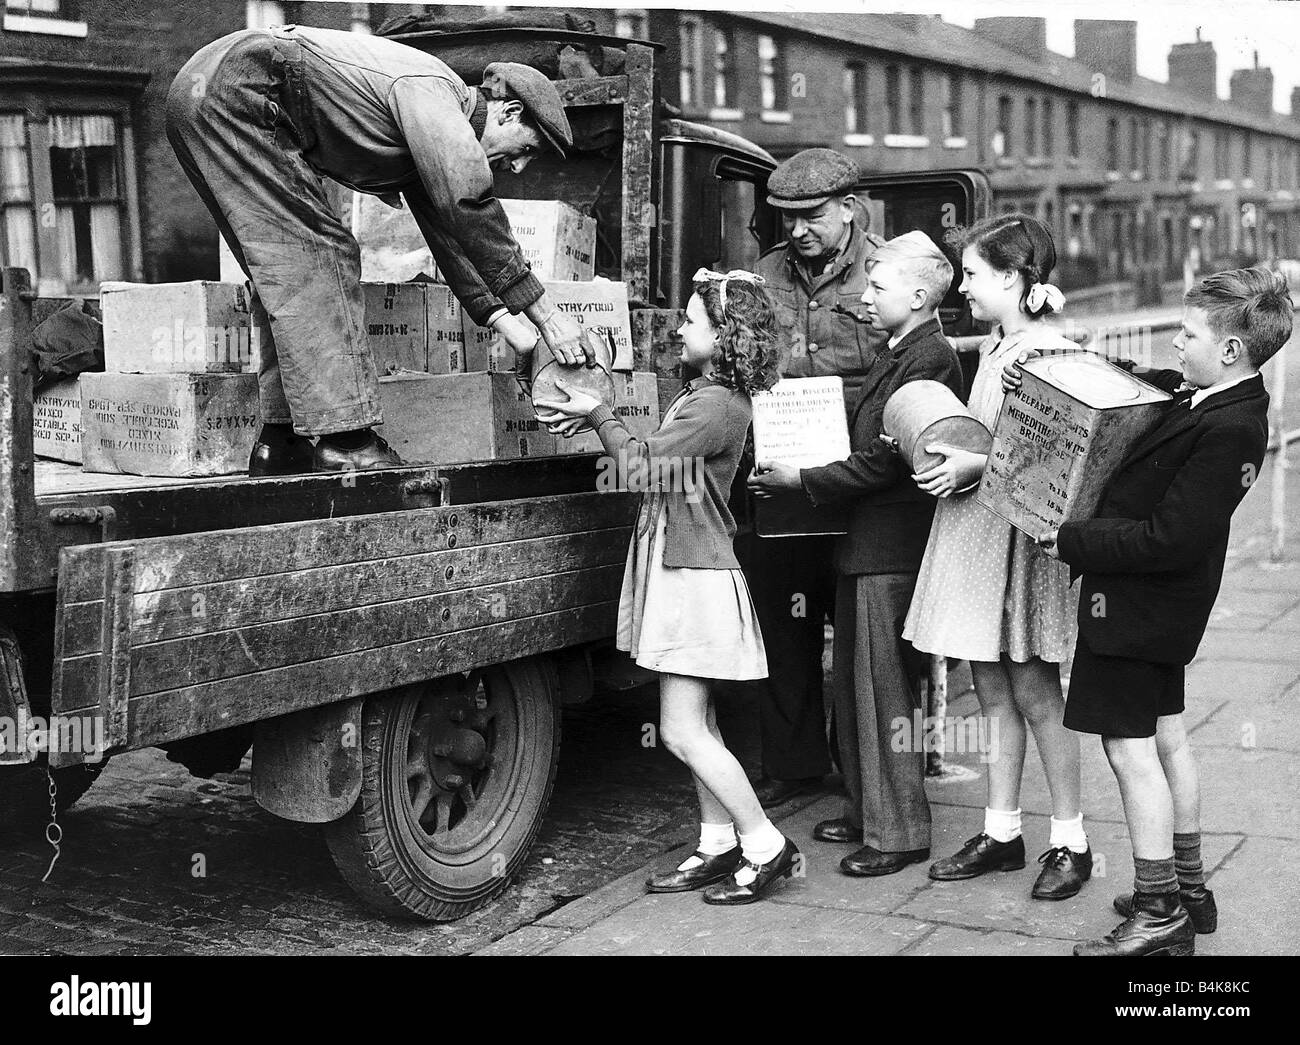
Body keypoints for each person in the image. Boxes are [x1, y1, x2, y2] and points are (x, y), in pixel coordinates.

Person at [166, 24, 587, 475]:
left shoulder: (429, 133)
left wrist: (515, 330)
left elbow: (451, 235)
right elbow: (469, 205)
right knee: (320, 257)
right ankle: (347, 442)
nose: (519, 166)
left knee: (283, 268)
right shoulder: (435, 93)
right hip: (245, 84)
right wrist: (550, 318)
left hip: (203, 92)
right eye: (528, 147)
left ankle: (281, 441)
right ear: (509, 112)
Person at [1026, 268, 1291, 955]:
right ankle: (1188, 884)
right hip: (1158, 608)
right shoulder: (1214, 396)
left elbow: (1171, 537)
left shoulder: (1231, 427)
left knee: (1128, 746)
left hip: (1141, 607)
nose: (1176, 341)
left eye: (1188, 332)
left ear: (1231, 349)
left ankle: (1158, 909)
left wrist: (1072, 538)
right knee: (1167, 736)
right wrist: (1081, 355)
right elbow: (1151, 377)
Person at [535, 270, 798, 905]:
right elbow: (651, 455)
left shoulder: (716, 405)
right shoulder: (706, 394)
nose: (679, 328)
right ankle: (716, 842)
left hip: (695, 577)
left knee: (680, 732)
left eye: (690, 319)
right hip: (683, 567)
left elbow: (636, 467)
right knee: (700, 719)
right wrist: (595, 418)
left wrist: (598, 413)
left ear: (724, 334)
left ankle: (766, 844)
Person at [749, 231, 962, 876]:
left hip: (887, 544)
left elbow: (885, 463)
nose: (865, 297)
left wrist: (803, 480)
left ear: (920, 296)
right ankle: (869, 808)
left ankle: (899, 832)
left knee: (885, 689)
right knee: (853, 682)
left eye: (878, 286)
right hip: (864, 543)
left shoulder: (928, 357)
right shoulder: (902, 350)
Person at [904, 214, 1093, 900]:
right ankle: (1003, 830)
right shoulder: (1001, 343)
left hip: (1016, 542)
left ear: (1014, 278)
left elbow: (1052, 459)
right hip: (983, 538)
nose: (963, 286)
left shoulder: (1045, 352)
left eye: (976, 274)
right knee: (990, 690)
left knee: (1039, 692)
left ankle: (1071, 841)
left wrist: (969, 468)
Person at [741, 148, 888, 809]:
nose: (797, 231)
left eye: (812, 217)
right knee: (783, 622)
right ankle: (794, 763)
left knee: (865, 629)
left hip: (859, 483)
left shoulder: (888, 273)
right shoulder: (761, 274)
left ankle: (869, 776)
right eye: (786, 219)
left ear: (852, 210)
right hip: (781, 479)